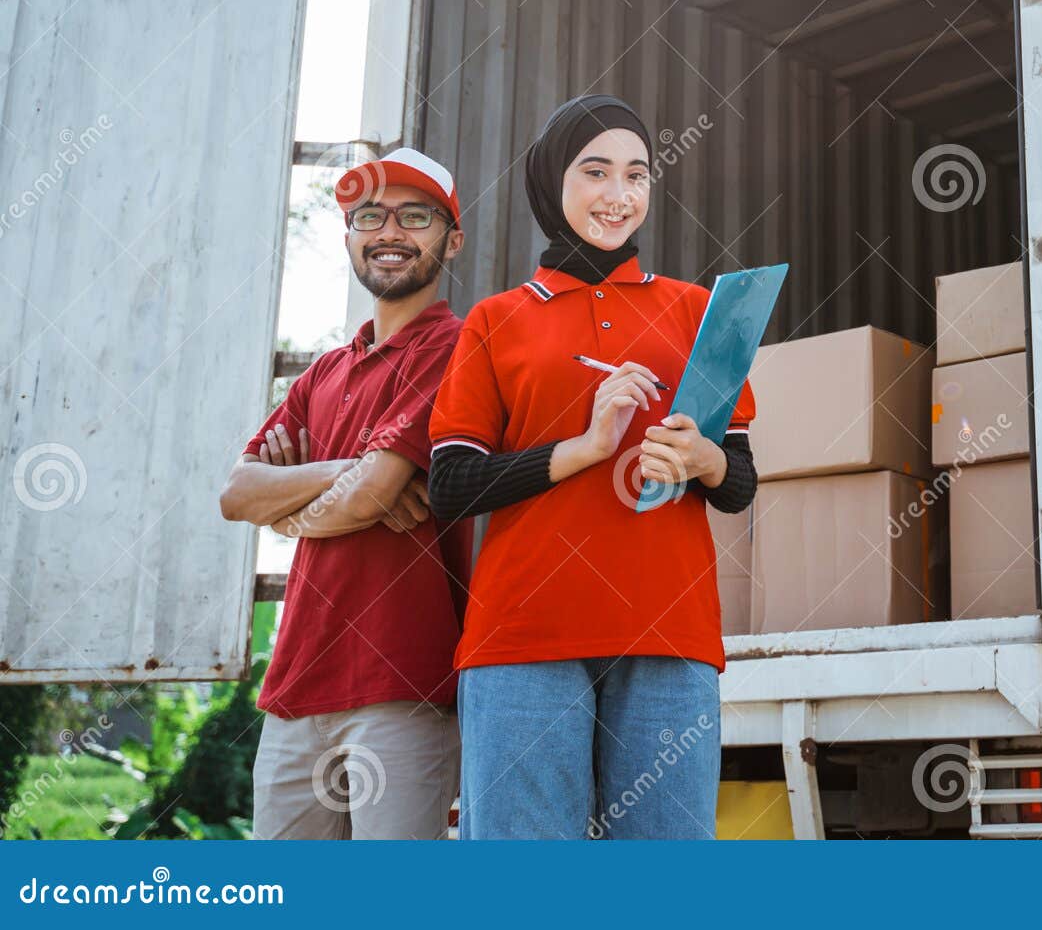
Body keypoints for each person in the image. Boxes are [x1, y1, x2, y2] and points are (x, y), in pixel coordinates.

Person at [427, 94, 758, 840]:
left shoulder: (698, 310)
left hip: (668, 634)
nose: (618, 195)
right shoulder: (496, 319)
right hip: (523, 637)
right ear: (552, 182)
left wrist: (705, 459)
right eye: (596, 171)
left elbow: (738, 484)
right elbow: (449, 486)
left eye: (637, 175)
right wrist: (583, 448)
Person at [218, 148, 472, 839]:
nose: (389, 232)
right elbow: (238, 495)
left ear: (452, 238)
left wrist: (298, 501)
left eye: (414, 216)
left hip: (403, 685)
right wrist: (346, 470)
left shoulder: (455, 348)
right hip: (297, 686)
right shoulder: (324, 372)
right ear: (350, 238)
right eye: (370, 216)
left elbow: (374, 494)